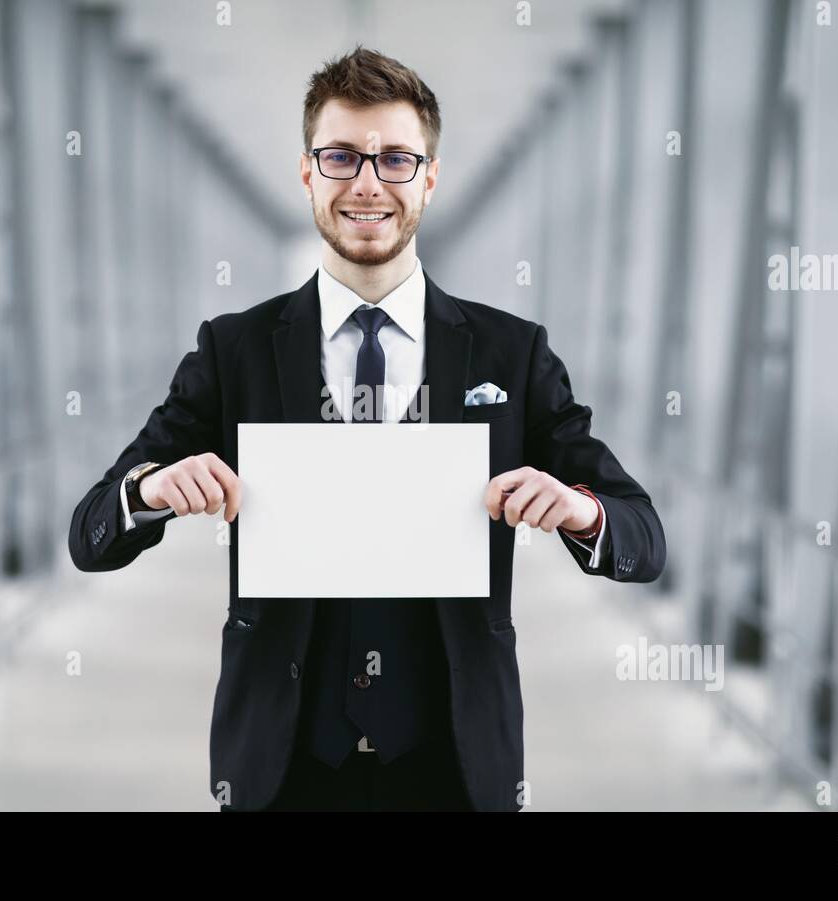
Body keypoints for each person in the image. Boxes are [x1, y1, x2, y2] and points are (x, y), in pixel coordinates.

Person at [68, 46, 666, 812]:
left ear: (431, 177)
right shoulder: (235, 349)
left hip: (455, 767)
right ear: (308, 172)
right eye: (343, 156)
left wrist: (583, 512)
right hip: (282, 769)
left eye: (395, 160)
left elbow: (643, 538)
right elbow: (90, 534)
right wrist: (149, 489)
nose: (367, 183)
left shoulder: (512, 354)